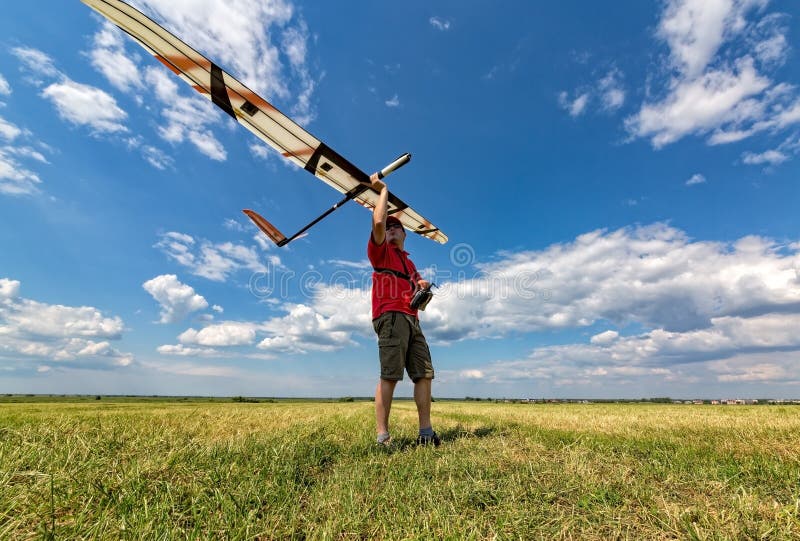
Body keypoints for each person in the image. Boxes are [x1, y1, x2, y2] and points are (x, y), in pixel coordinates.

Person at [367, 172, 440, 448]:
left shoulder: (409, 263)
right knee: (390, 375)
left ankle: (425, 433)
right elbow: (377, 221)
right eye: (390, 226)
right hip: (390, 317)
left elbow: (417, 294)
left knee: (424, 374)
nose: (391, 229)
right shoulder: (380, 251)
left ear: (405, 233)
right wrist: (382, 189)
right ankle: (383, 437)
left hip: (412, 319)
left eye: (397, 227)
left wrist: (421, 285)